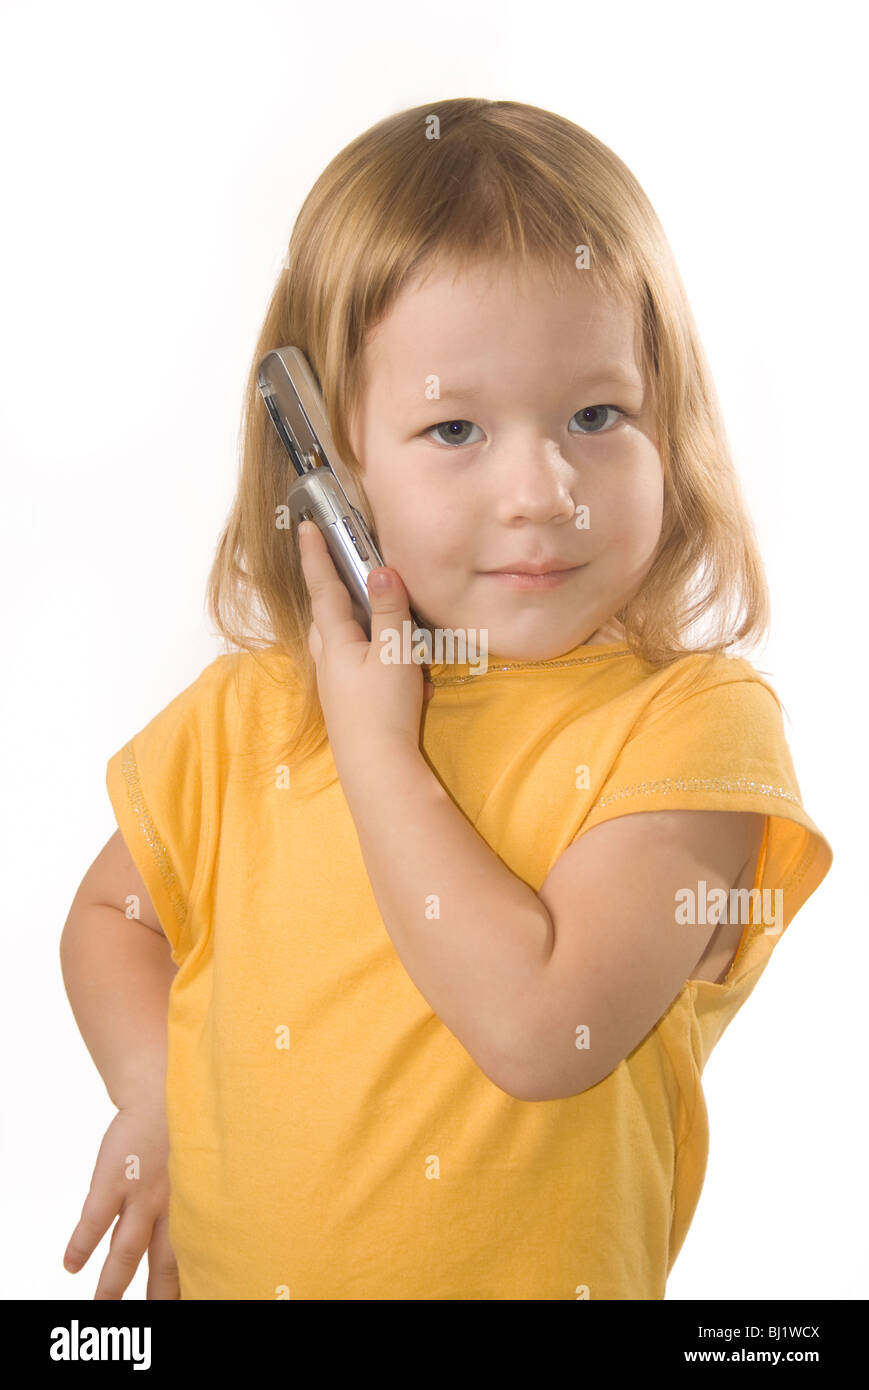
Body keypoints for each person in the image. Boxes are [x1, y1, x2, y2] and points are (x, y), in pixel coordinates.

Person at [60, 97, 832, 1300]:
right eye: (455, 427)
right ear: (333, 463)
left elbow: (538, 1030)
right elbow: (114, 917)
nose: (540, 488)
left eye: (594, 415)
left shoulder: (691, 728)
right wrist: (153, 1091)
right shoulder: (251, 715)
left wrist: (379, 751)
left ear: (666, 423)